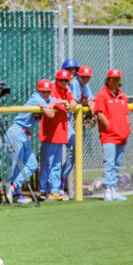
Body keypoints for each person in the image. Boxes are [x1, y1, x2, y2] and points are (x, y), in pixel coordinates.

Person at [4, 79, 56, 204]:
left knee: (32, 164)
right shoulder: (36, 97)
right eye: (43, 92)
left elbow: (57, 102)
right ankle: (15, 193)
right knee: (17, 165)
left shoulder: (46, 100)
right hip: (17, 131)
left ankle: (13, 188)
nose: (45, 94)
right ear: (39, 91)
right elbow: (50, 114)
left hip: (25, 134)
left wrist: (58, 102)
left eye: (48, 92)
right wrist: (52, 105)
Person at [39, 69, 77, 201]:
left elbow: (72, 102)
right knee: (47, 162)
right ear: (56, 79)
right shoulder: (50, 87)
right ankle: (43, 190)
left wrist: (69, 103)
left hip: (61, 129)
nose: (63, 82)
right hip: (50, 130)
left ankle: (54, 190)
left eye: (66, 80)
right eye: (61, 80)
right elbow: (51, 101)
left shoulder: (67, 90)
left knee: (56, 163)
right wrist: (63, 103)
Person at [94, 69, 130, 201]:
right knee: (109, 162)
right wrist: (109, 127)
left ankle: (114, 188)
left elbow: (125, 114)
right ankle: (108, 190)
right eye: (112, 79)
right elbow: (99, 113)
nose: (114, 82)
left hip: (121, 136)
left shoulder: (122, 96)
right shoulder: (102, 95)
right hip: (109, 136)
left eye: (116, 80)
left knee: (117, 163)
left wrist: (127, 130)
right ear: (108, 80)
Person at [62, 65, 95, 197]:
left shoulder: (85, 85)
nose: (85, 79)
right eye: (83, 77)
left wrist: (91, 105)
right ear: (78, 76)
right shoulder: (75, 83)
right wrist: (87, 105)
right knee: (74, 149)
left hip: (76, 122)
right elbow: (75, 102)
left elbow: (91, 99)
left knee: (76, 152)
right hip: (67, 121)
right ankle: (59, 182)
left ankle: (62, 181)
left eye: (88, 77)